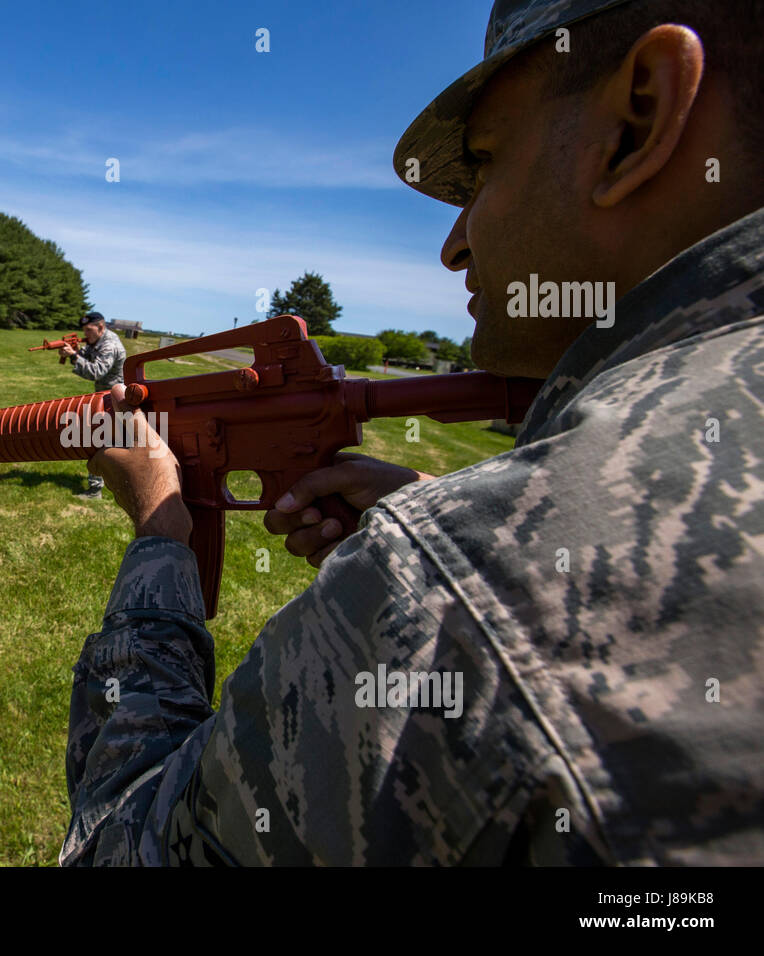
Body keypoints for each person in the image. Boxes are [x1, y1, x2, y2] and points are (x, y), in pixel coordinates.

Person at [63, 0, 764, 865]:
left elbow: (119, 844)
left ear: (640, 118)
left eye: (483, 167)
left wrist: (163, 533)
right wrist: (456, 513)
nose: (454, 245)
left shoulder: (467, 586)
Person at [59, 311, 126, 498]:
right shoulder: (98, 341)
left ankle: (96, 489)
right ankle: (119, 483)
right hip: (105, 397)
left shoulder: (109, 345)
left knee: (98, 440)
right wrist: (77, 351)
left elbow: (96, 371)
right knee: (112, 441)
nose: (86, 334)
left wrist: (73, 356)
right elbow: (88, 354)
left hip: (114, 400)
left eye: (89, 330)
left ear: (101, 327)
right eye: (84, 330)